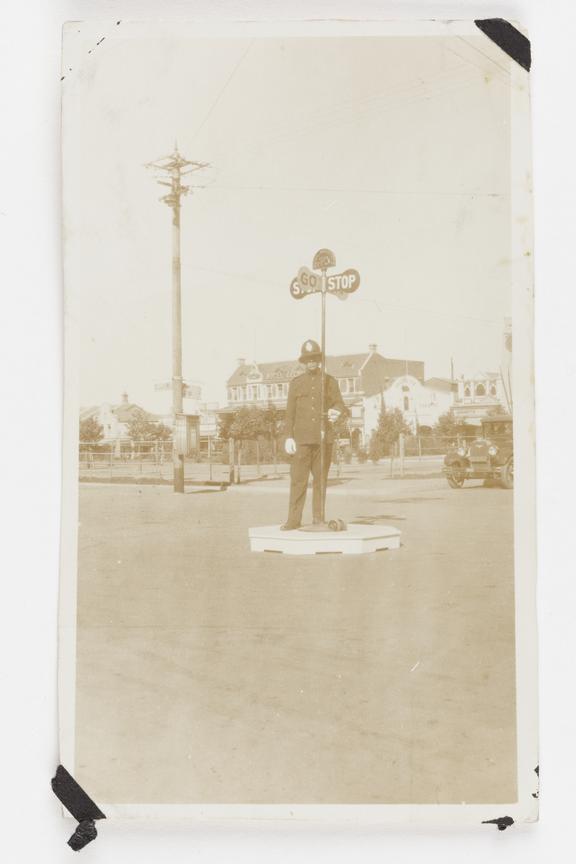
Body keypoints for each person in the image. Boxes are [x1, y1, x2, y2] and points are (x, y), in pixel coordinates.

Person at [281, 339, 348, 530]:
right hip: (301, 441)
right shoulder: (296, 384)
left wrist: (336, 411)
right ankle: (293, 520)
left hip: (322, 440)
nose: (311, 362)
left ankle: (318, 518)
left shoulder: (329, 381)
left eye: (314, 358)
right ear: (303, 362)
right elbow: (290, 413)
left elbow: (340, 404)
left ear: (319, 360)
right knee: (298, 481)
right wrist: (288, 437)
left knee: (320, 481)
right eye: (307, 359)